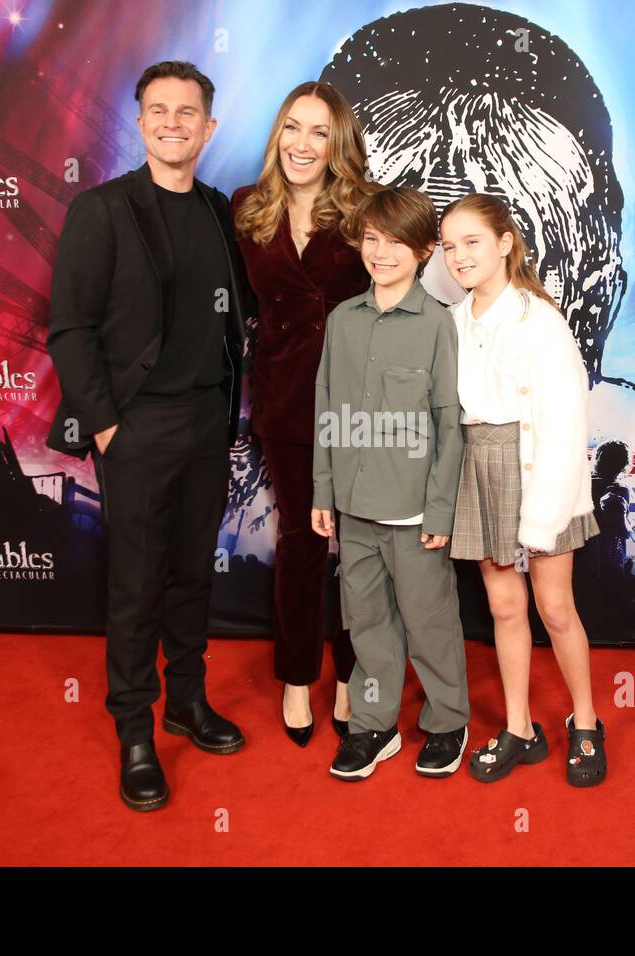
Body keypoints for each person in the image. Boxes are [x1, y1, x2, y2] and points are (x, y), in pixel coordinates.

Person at [45, 62, 251, 812]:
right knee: (135, 586)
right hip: (135, 427)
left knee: (193, 573)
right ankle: (134, 731)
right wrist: (105, 425)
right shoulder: (102, 210)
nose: (173, 122)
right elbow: (69, 328)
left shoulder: (219, 211)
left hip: (207, 425)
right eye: (158, 110)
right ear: (139, 124)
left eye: (187, 111)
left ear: (208, 127)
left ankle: (186, 703)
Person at [438, 193, 607, 788]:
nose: (459, 256)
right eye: (449, 245)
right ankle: (519, 728)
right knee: (504, 608)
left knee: (555, 608)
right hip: (480, 471)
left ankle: (585, 722)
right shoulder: (452, 322)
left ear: (506, 243)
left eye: (472, 242)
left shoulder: (541, 320)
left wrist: (541, 519)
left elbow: (564, 426)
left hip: (539, 472)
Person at [231, 81, 378, 747]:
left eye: (320, 132)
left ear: (337, 144)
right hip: (287, 406)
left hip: (358, 406)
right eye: (294, 127)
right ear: (277, 134)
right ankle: (297, 678)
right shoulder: (246, 211)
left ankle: (350, 677)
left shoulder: (365, 211)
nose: (303, 143)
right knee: (300, 543)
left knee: (358, 551)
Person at [311, 187, 469, 780]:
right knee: (367, 622)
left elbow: (448, 424)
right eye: (371, 239)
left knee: (429, 621)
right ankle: (373, 727)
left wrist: (438, 511)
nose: (380, 253)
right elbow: (327, 409)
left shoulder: (438, 326)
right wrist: (323, 491)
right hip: (353, 509)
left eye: (396, 242)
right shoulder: (341, 322)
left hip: (413, 513)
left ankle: (448, 720)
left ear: (425, 250)